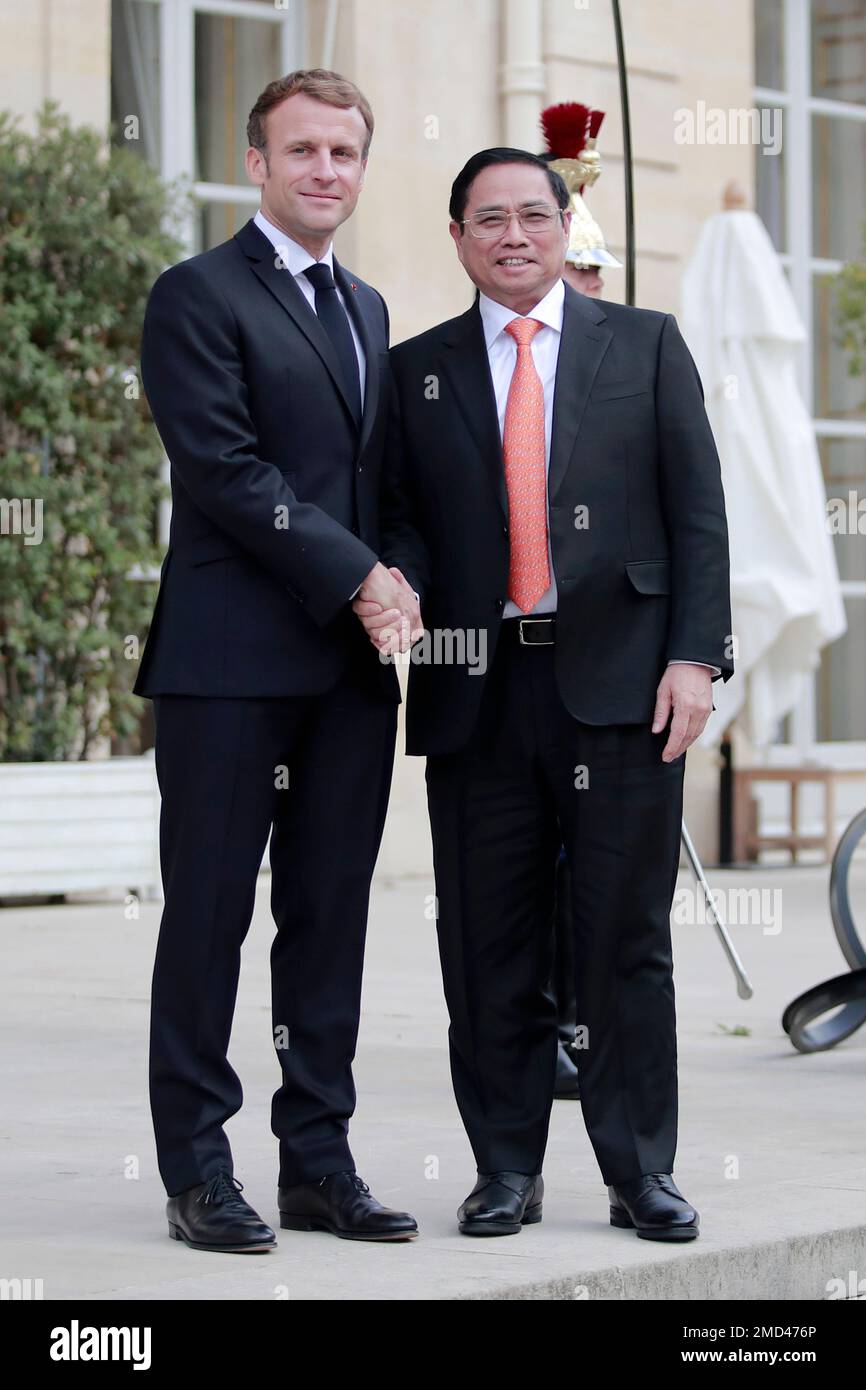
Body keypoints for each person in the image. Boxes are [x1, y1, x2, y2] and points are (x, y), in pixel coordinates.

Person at [359, 147, 733, 1242]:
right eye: (489, 219)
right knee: (486, 940)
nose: (513, 234)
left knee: (625, 937)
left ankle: (639, 1170)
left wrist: (694, 657)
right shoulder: (413, 369)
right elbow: (397, 519)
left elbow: (697, 513)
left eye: (533, 214)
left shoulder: (645, 345)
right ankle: (503, 1170)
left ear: (566, 225)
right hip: (475, 685)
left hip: (623, 688)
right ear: (458, 237)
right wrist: (399, 583)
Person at [134, 69, 421, 1252]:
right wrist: (362, 574)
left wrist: (399, 575)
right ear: (255, 164)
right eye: (299, 150)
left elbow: (382, 479)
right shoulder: (194, 295)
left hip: (346, 678)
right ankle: (198, 1168)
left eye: (343, 153)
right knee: (207, 917)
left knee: (327, 921)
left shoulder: (368, 310)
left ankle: (317, 1160)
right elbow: (227, 471)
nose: (322, 171)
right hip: (226, 669)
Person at [539, 102, 623, 1099]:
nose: (585, 284)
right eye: (578, 270)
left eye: (594, 273)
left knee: (599, 863)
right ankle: (548, 1015)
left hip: (606, 657)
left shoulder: (626, 363)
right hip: (518, 655)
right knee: (542, 859)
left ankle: (586, 1012)